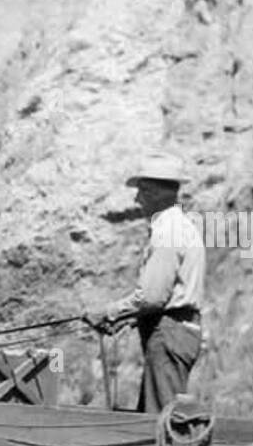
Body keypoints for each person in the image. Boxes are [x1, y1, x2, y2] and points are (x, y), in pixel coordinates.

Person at [86, 153, 206, 413]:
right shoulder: (178, 227)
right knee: (157, 412)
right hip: (175, 329)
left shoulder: (168, 232)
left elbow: (152, 297)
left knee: (161, 417)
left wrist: (110, 312)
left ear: (156, 193)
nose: (136, 199)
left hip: (169, 332)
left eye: (142, 191)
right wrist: (125, 319)